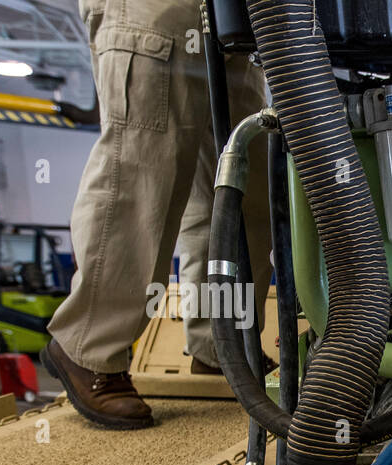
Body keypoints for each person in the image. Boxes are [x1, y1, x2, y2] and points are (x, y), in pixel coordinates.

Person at [42, 0, 271, 429]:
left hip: (234, 20)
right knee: (143, 171)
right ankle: (89, 348)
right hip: (157, 9)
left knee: (241, 182)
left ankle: (220, 345)